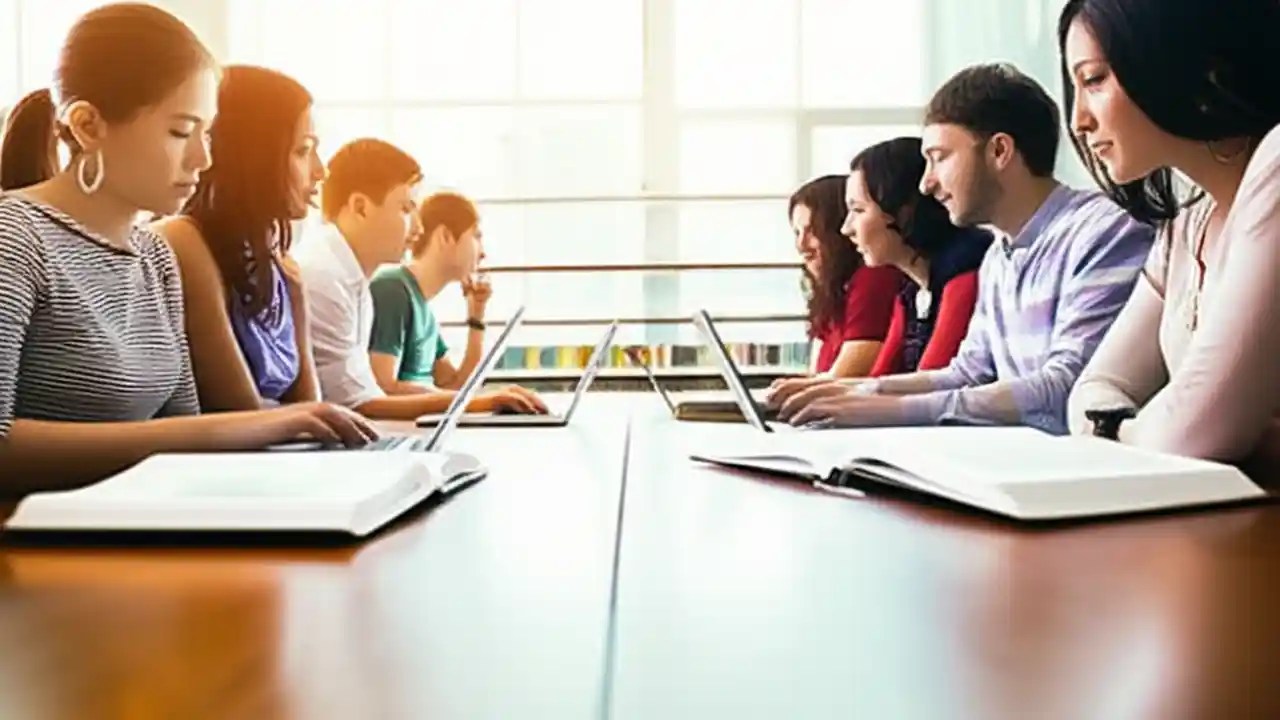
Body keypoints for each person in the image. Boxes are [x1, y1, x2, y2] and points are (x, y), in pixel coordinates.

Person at [0, 4, 374, 493]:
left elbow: (184, 433)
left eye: (207, 133)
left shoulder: (155, 258)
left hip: (136, 533)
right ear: (89, 126)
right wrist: (264, 424)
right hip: (32, 552)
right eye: (180, 132)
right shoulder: (15, 237)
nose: (203, 158)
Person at [770, 63, 1154, 434]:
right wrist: (856, 391)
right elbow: (966, 373)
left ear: (999, 152)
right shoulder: (997, 258)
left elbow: (1066, 387)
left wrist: (887, 409)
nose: (926, 185)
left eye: (939, 159)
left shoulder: (1105, 232)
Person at [1061, 0, 1280, 469]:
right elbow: (1095, 389)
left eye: (1094, 80)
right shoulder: (1184, 228)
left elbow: (1192, 434)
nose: (1079, 119)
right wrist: (1135, 427)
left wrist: (1118, 428)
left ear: (1172, 57)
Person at [295, 138, 546, 420]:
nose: (418, 225)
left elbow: (369, 397)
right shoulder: (328, 278)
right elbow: (359, 404)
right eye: (405, 208)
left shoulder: (353, 280)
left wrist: (479, 398)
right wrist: (478, 403)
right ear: (361, 207)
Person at [156, 65, 324, 411]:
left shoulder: (274, 263)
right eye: (303, 151)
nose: (320, 171)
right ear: (254, 155)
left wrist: (297, 300)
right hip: (232, 460)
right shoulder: (184, 239)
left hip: (280, 456)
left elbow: (308, 407)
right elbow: (241, 409)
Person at [843, 137, 993, 376]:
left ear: (904, 211)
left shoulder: (967, 273)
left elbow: (929, 384)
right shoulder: (912, 290)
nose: (846, 229)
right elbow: (879, 380)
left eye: (858, 210)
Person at [368, 192, 491, 392]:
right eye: (476, 236)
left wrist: (476, 317)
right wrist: (458, 401)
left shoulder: (422, 305)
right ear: (445, 236)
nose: (483, 253)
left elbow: (456, 386)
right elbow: (383, 387)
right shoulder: (392, 290)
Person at [790, 175, 901, 377]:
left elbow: (846, 378)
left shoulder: (873, 278)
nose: (801, 245)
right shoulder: (835, 292)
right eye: (797, 232)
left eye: (812, 231)